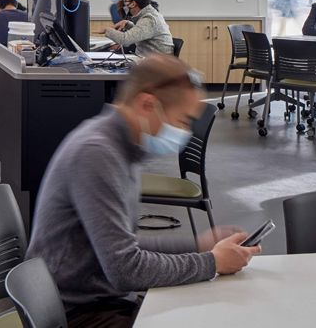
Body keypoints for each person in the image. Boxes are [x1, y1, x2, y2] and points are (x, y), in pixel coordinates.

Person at [27, 54, 258, 326]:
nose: (184, 131)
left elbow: (123, 247)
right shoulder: (97, 154)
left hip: (102, 299)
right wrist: (211, 262)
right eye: (182, 120)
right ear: (148, 104)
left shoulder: (124, 146)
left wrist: (199, 246)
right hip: (75, 314)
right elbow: (125, 269)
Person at [104, 0, 174, 55]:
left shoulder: (149, 19)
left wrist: (108, 31)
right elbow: (141, 32)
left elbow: (125, 40)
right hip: (149, 59)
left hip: (155, 63)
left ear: (133, 4)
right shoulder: (150, 13)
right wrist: (128, 24)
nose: (124, 4)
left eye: (126, 1)